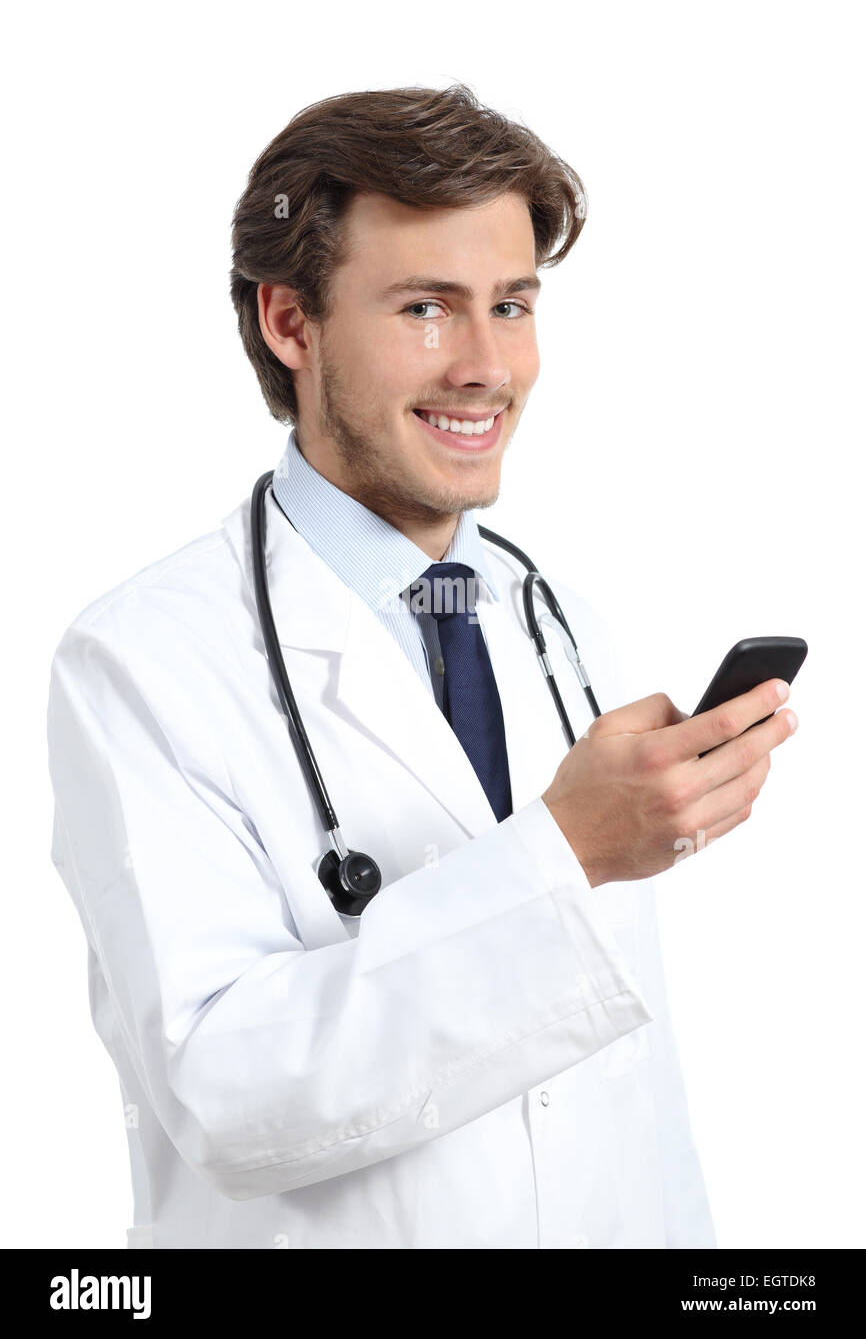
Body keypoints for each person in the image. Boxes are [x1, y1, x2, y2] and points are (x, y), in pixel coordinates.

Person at [46, 83, 796, 1250]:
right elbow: (224, 1095)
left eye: (510, 303)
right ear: (289, 324)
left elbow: (629, 1104)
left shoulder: (561, 626)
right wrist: (565, 851)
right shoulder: (139, 663)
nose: (487, 367)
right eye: (425, 309)